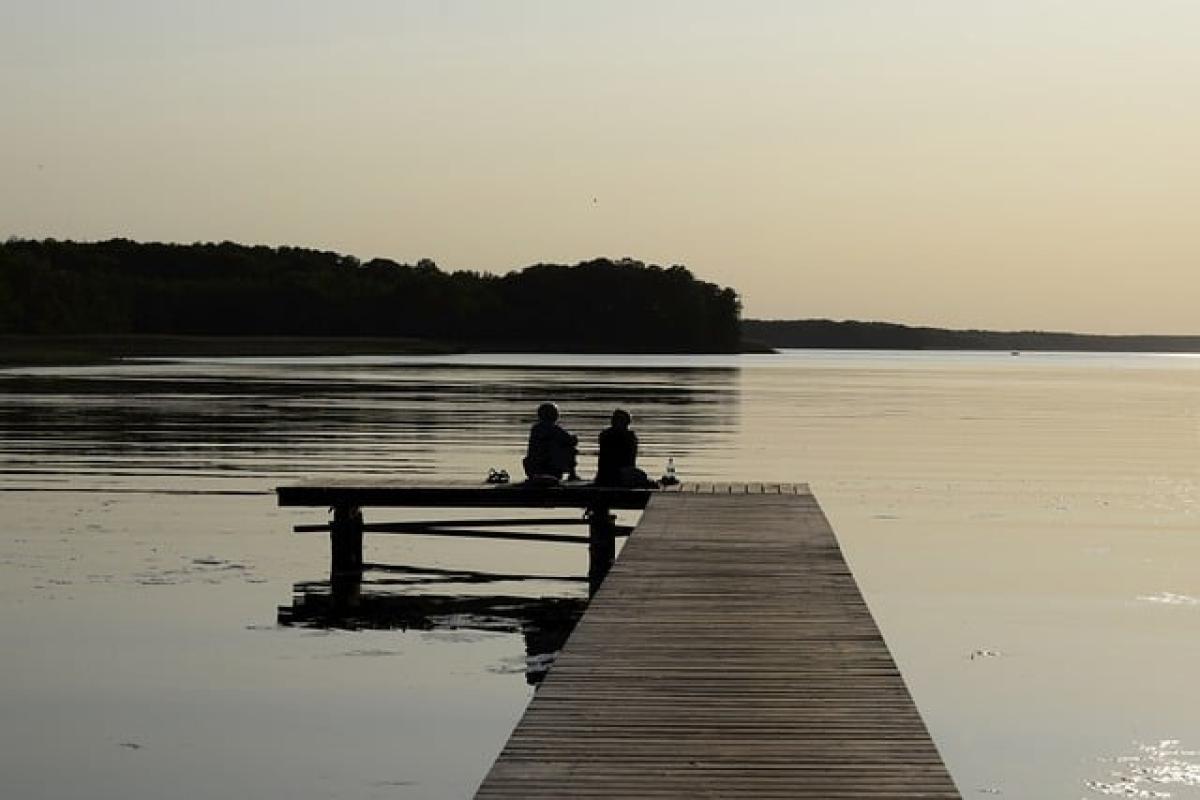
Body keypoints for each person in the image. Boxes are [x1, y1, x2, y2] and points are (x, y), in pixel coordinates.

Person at [596, 408, 656, 487]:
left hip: (617, 473)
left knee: (641, 476)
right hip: (613, 474)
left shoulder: (607, 435)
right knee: (641, 476)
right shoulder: (609, 436)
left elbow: (630, 461)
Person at [523, 402, 580, 482]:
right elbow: (571, 441)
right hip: (549, 465)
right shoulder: (554, 429)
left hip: (533, 468)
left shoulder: (535, 428)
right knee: (570, 448)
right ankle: (572, 475)